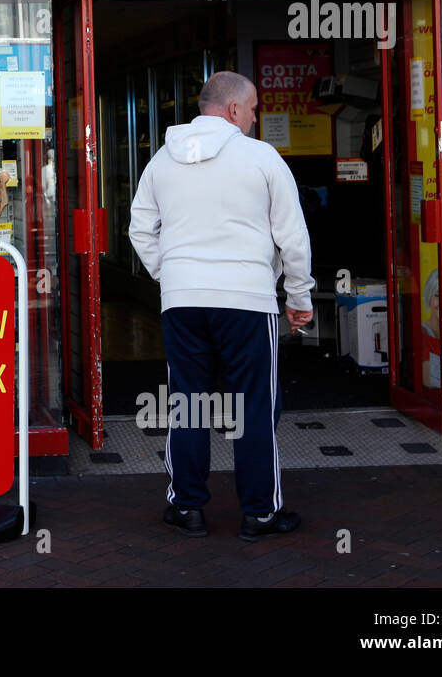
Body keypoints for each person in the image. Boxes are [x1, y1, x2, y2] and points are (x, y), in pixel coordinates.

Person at [129, 71, 313, 542]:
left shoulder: (161, 161)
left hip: (183, 301)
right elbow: (292, 236)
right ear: (233, 109)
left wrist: (169, 274)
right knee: (255, 405)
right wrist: (298, 297)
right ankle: (260, 514)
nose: (254, 117)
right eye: (252, 109)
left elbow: (140, 229)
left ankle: (187, 507)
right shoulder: (262, 158)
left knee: (188, 403)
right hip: (247, 301)